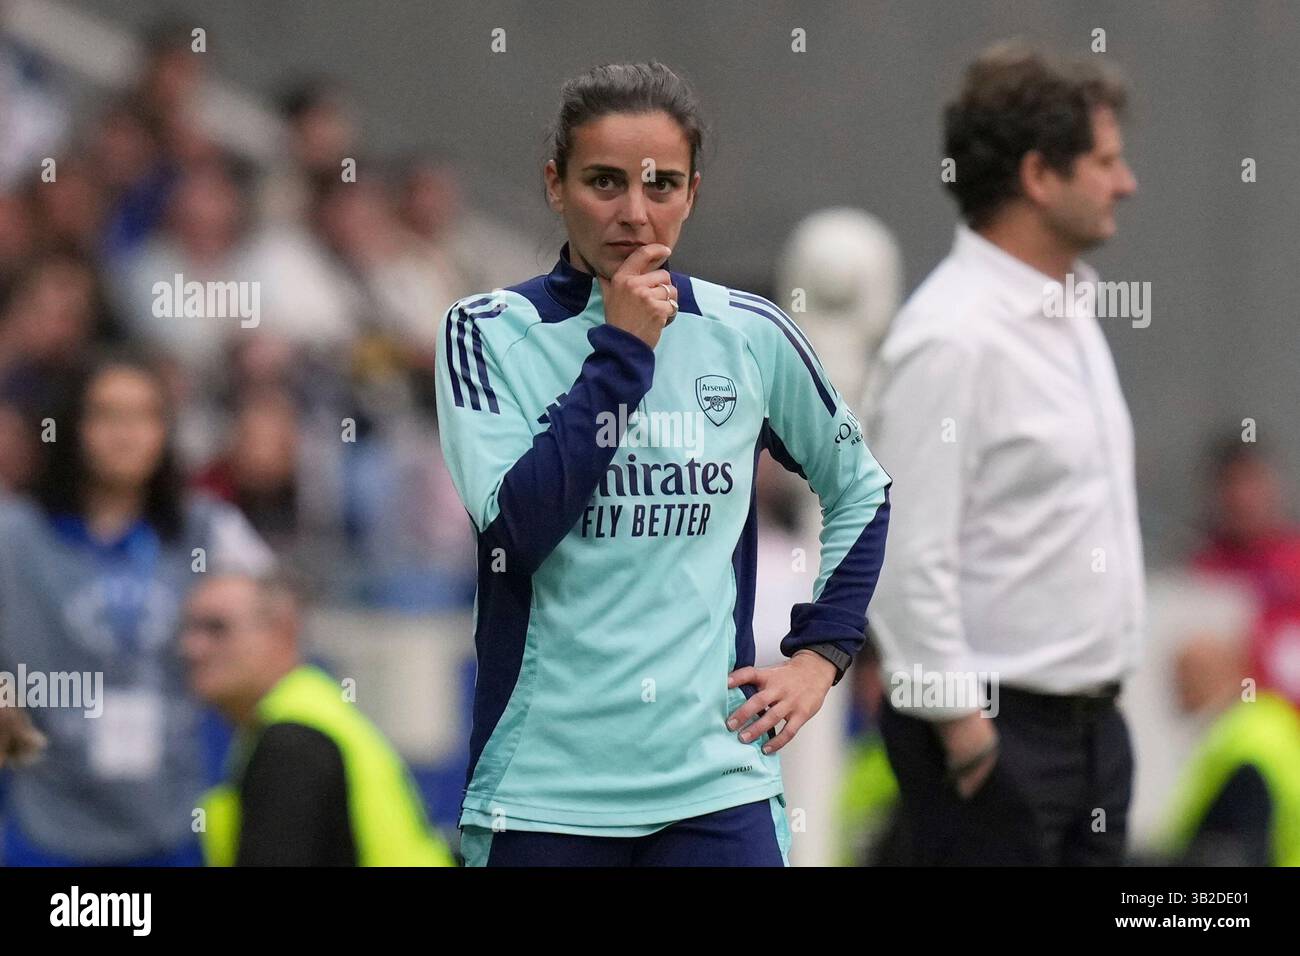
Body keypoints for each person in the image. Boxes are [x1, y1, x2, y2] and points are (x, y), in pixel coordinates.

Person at [434, 62, 891, 867]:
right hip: (544, 795)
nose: (634, 214)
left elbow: (860, 487)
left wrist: (822, 657)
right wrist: (622, 352)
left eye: (662, 185)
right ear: (555, 184)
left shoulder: (746, 331)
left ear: (693, 191)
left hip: (715, 791)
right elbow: (519, 528)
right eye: (604, 182)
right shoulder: (486, 333)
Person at [865, 43, 1144, 865]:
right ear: (1037, 175)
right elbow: (905, 558)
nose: (1125, 183)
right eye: (1105, 162)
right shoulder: (951, 338)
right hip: (998, 744)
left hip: (1091, 736)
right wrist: (969, 739)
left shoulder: (1070, 311)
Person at [0, 352, 273, 865]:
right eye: (106, 415)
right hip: (45, 828)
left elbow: (276, 634)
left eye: (145, 416)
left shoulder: (208, 530)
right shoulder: (14, 538)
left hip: (173, 822)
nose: (127, 434)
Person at [183, 569, 453, 866]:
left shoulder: (291, 744)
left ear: (283, 631)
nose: (192, 647)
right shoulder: (312, 715)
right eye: (189, 629)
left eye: (217, 628)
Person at [1160, 632, 1300, 866]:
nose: (1179, 685)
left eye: (1192, 672)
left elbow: (1243, 849)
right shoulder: (1262, 723)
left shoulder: (1245, 744)